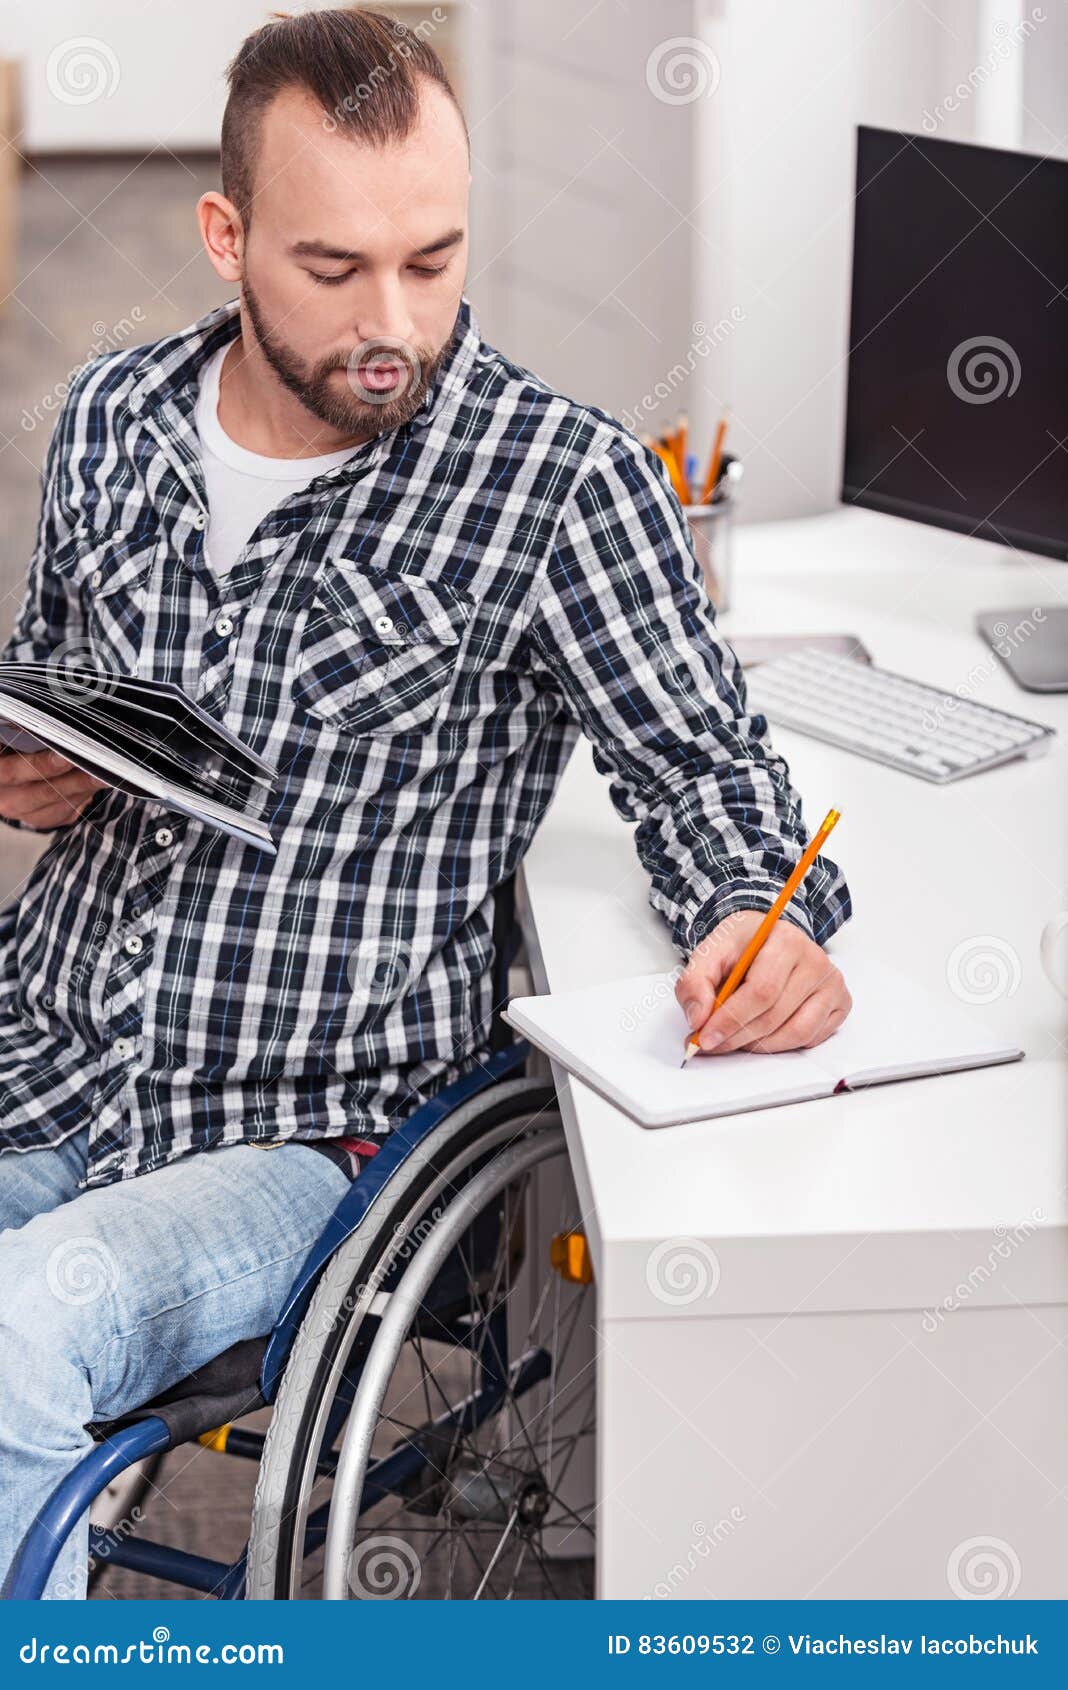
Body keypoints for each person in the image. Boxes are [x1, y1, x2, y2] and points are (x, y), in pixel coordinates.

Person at [0, 7, 851, 1598]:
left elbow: (714, 773)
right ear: (227, 236)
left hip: (304, 1127)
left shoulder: (558, 485)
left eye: (435, 258)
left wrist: (762, 914)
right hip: (47, 1039)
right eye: (333, 271)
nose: (395, 322)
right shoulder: (113, 421)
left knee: (19, 1333)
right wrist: (26, 768)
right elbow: (47, 677)